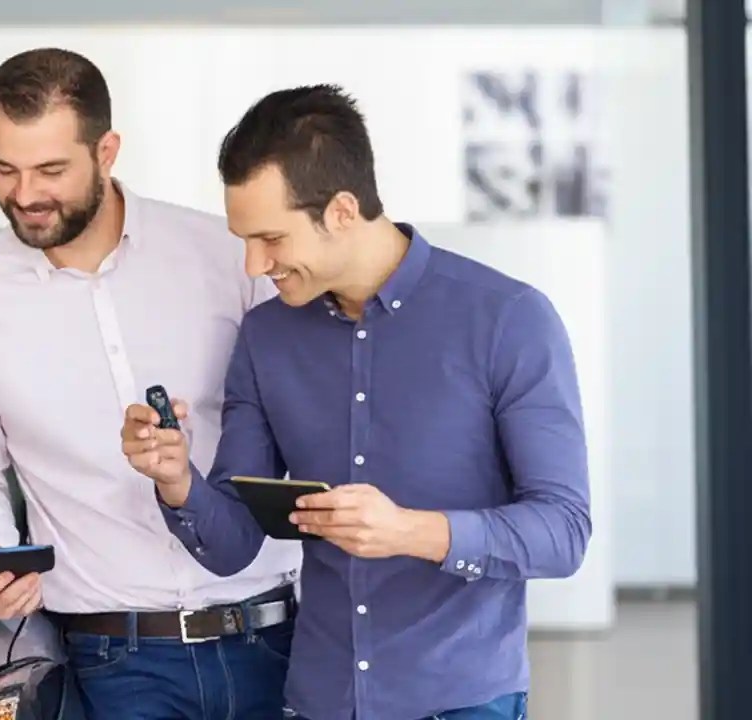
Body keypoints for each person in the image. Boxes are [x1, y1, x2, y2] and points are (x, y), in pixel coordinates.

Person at [120, 84, 591, 720]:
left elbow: (563, 533)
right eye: (245, 242)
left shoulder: (509, 320)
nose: (256, 265)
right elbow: (232, 544)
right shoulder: (266, 339)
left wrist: (410, 531)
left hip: (461, 700)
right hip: (319, 700)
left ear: (342, 210)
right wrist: (177, 480)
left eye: (272, 239)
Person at [0, 47, 303, 719]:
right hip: (117, 662)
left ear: (106, 151)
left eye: (51, 170)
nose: (25, 194)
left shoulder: (227, 258)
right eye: (3, 169)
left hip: (276, 641)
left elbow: (298, 422)